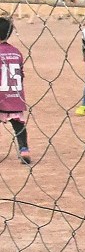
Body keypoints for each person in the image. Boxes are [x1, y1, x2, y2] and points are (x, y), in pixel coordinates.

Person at [0, 17, 31, 164]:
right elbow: (21, 74)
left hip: (0, 96)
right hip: (15, 95)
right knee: (19, 125)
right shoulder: (16, 52)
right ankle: (24, 150)